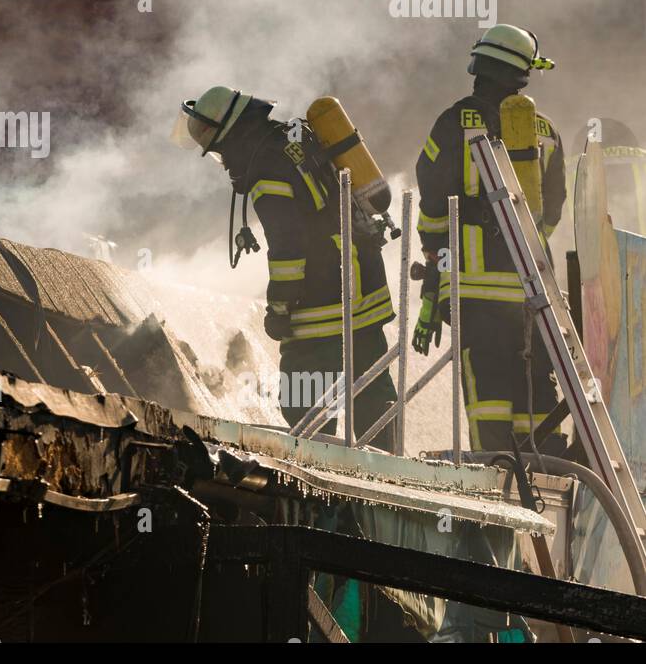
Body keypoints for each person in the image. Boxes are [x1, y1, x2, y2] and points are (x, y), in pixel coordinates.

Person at [178, 87, 396, 445]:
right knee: (373, 397)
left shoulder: (266, 171)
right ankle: (393, 476)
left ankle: (325, 487)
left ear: (232, 137)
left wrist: (279, 307)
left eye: (219, 150)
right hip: (365, 287)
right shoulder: (295, 139)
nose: (224, 160)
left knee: (304, 407)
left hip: (323, 302)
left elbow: (288, 248)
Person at [413, 24, 566, 454]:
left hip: (474, 293)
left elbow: (432, 206)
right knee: (536, 392)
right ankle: (547, 482)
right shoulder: (546, 130)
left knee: (488, 399)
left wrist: (436, 276)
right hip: (533, 294)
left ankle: (493, 481)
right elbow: (551, 211)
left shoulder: (452, 122)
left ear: (479, 66)